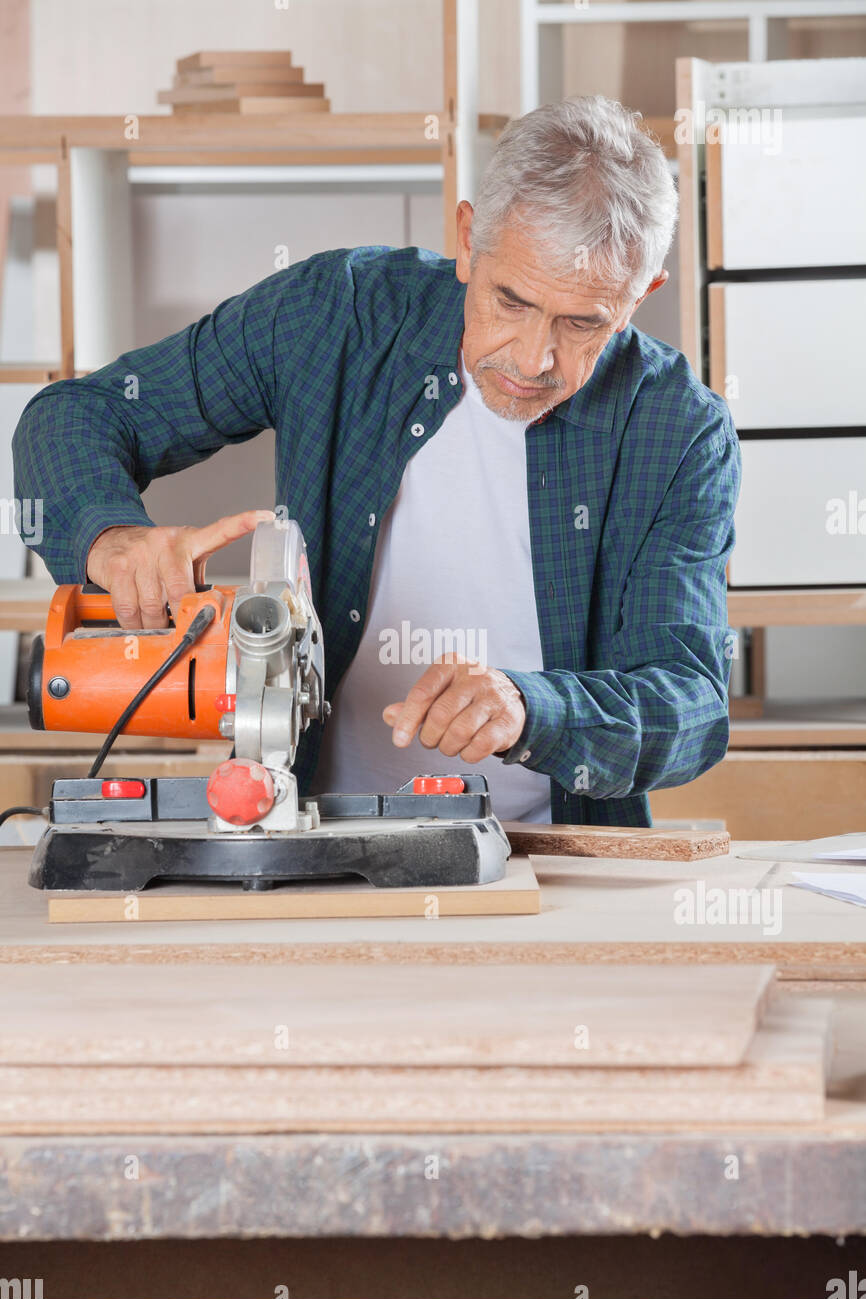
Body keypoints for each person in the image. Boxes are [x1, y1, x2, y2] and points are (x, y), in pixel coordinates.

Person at [13, 95, 739, 826]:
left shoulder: (680, 432)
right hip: (310, 837)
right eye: (510, 301)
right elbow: (75, 416)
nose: (532, 359)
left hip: (554, 862)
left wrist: (532, 709)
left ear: (640, 294)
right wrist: (113, 539)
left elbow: (692, 702)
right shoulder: (338, 313)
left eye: (583, 323)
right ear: (467, 239)